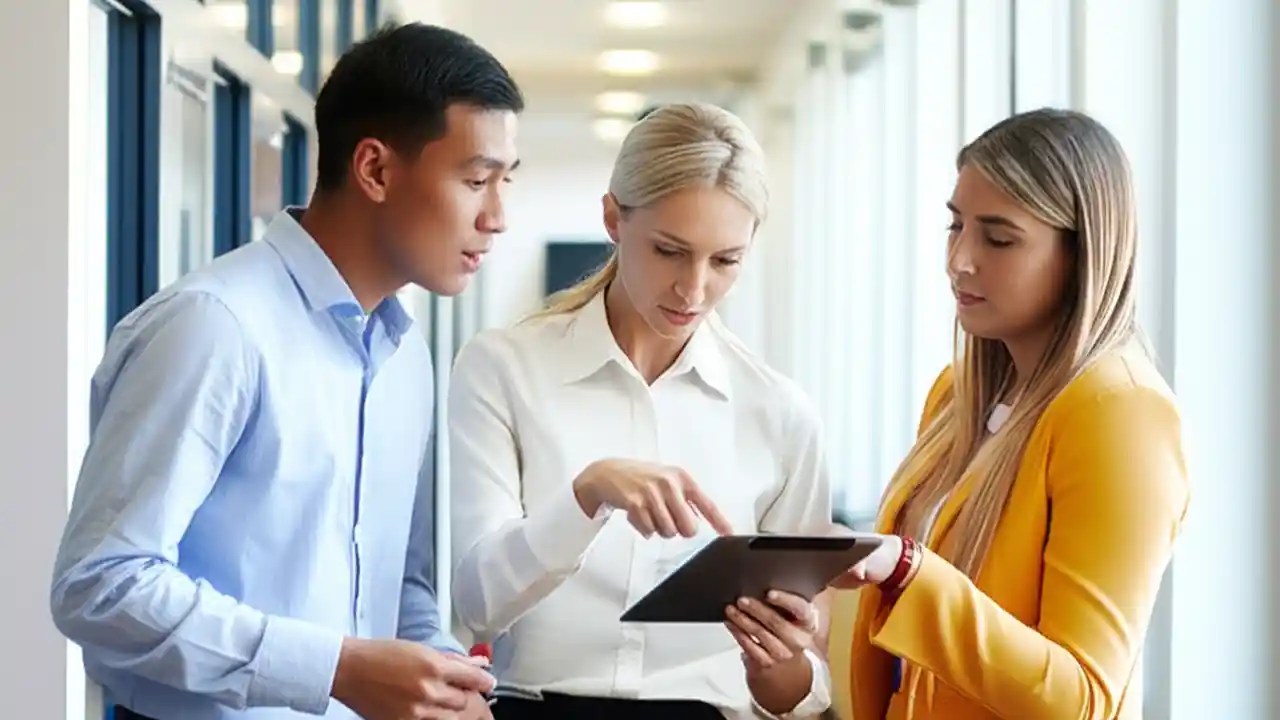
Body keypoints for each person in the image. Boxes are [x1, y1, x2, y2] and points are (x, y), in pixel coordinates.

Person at [49, 23, 522, 720]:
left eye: (506, 182)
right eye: (477, 180)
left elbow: (397, 590)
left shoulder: (405, 357)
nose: (498, 217)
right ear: (376, 170)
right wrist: (336, 667)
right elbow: (101, 584)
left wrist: (442, 673)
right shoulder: (214, 327)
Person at [447, 102, 835, 720]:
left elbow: (804, 692)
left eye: (725, 260)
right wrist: (586, 495)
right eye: (669, 251)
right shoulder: (503, 368)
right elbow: (475, 602)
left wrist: (779, 661)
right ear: (612, 219)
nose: (694, 288)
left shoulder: (781, 413)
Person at [827, 108, 1190, 719]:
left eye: (998, 238)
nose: (959, 260)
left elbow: (1080, 699)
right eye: (955, 225)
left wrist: (905, 571)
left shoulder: (1119, 415)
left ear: (1082, 255)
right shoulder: (957, 396)